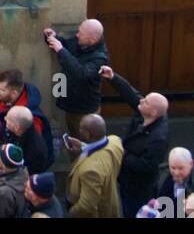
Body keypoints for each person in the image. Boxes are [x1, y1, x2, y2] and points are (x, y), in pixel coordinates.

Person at [98, 64, 170, 217]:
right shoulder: (146, 113)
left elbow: (146, 165)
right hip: (126, 179)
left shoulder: (158, 139)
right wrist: (113, 77)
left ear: (153, 112)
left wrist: (121, 152)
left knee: (132, 211)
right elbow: (132, 94)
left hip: (138, 188)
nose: (141, 101)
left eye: (146, 102)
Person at [43, 18, 109, 136]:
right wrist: (53, 37)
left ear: (93, 39)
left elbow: (82, 74)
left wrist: (61, 50)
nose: (77, 35)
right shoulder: (81, 42)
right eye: (78, 31)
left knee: (84, 145)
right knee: (71, 140)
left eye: (81, 33)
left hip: (85, 112)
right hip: (70, 104)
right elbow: (66, 46)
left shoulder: (100, 58)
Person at [66, 114, 124, 218]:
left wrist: (70, 213)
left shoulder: (91, 171)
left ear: (88, 134)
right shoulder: (115, 142)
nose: (79, 131)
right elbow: (101, 151)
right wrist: (83, 147)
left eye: (81, 129)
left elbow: (86, 206)